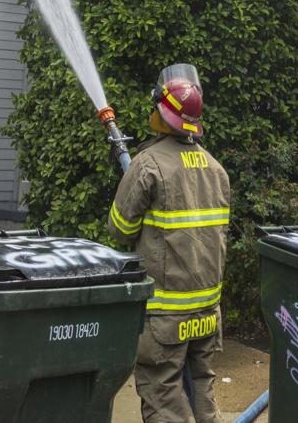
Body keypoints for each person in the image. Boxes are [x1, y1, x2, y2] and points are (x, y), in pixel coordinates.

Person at [107, 64, 230, 423]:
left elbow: (119, 230)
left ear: (161, 115)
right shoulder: (216, 169)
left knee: (162, 396)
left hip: (165, 316)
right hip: (207, 313)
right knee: (203, 390)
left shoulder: (147, 165)